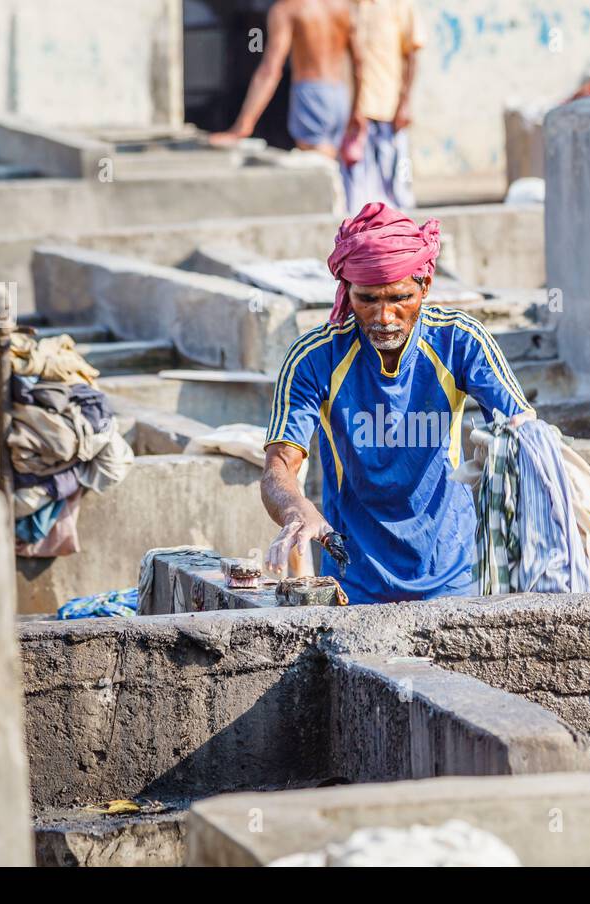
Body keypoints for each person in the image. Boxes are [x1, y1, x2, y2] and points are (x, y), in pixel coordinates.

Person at [261, 203, 535, 604]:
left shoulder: (459, 341)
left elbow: (524, 432)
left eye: (400, 297)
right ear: (346, 292)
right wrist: (294, 508)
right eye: (367, 299)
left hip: (452, 575)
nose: (385, 316)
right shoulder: (315, 357)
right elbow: (278, 468)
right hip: (352, 583)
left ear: (425, 286)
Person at [209, 0, 354, 159]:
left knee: (316, 162)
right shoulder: (342, 5)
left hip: (311, 93)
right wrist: (357, 110)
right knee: (330, 157)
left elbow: (270, 70)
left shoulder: (287, 9)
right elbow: (358, 62)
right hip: (339, 94)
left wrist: (242, 126)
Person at [341, 0, 425, 209]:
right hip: (357, 115)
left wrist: (404, 103)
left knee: (398, 190)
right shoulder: (349, 7)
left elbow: (412, 56)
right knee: (358, 197)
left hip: (390, 111)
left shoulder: (399, 6)